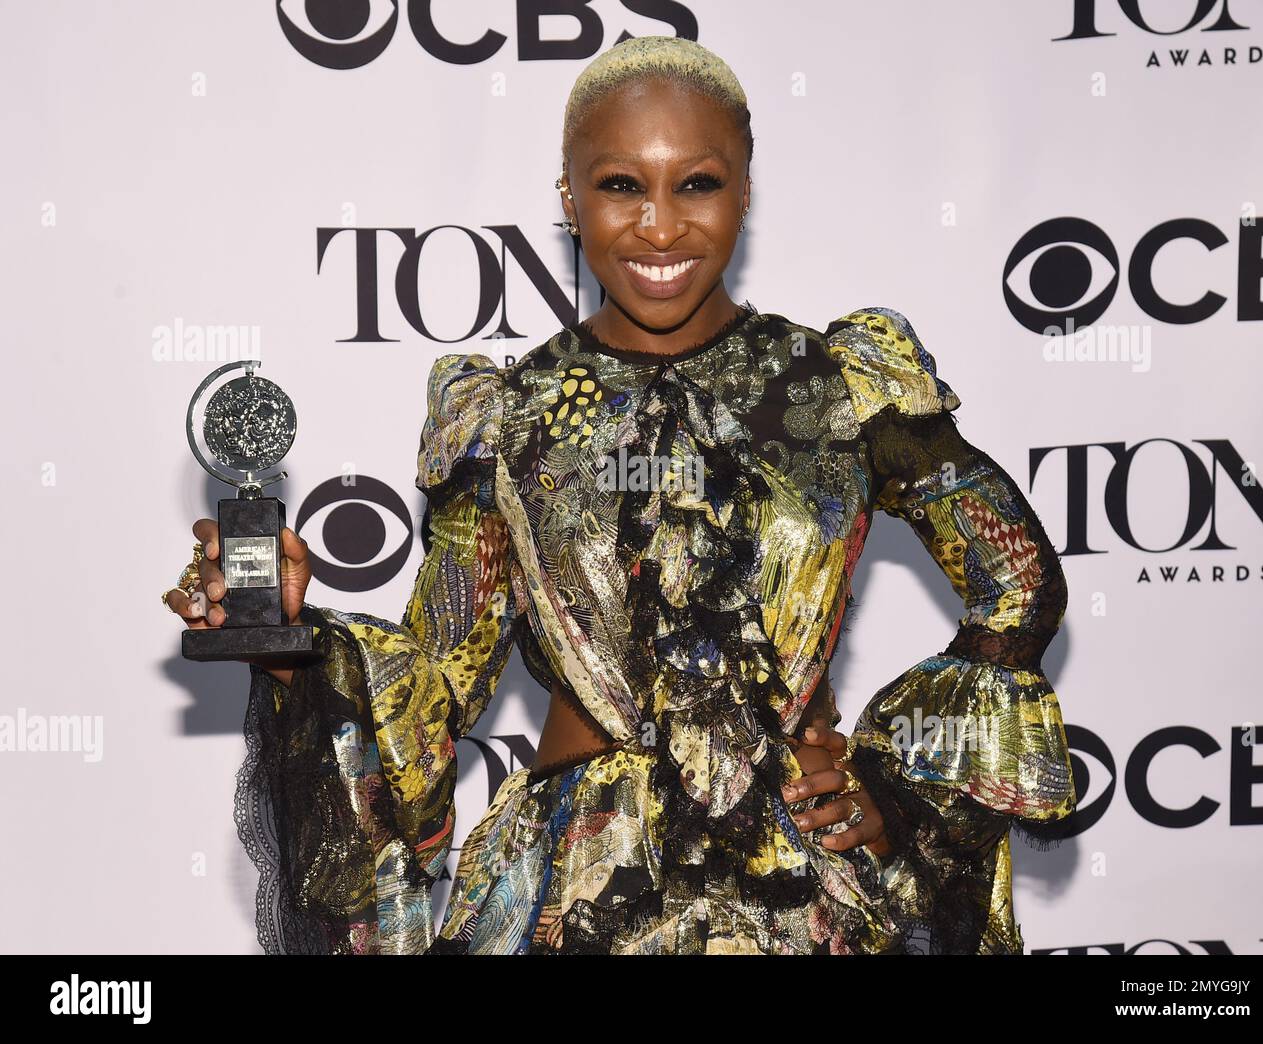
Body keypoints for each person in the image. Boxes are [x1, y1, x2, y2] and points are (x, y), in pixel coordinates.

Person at [165, 35, 1074, 955]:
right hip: (575, 897)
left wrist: (894, 785)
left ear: (747, 190)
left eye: (699, 183)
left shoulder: (837, 385)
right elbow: (437, 690)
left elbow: (1018, 579)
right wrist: (296, 644)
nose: (661, 226)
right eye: (621, 185)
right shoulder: (508, 421)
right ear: (568, 198)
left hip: (802, 901)